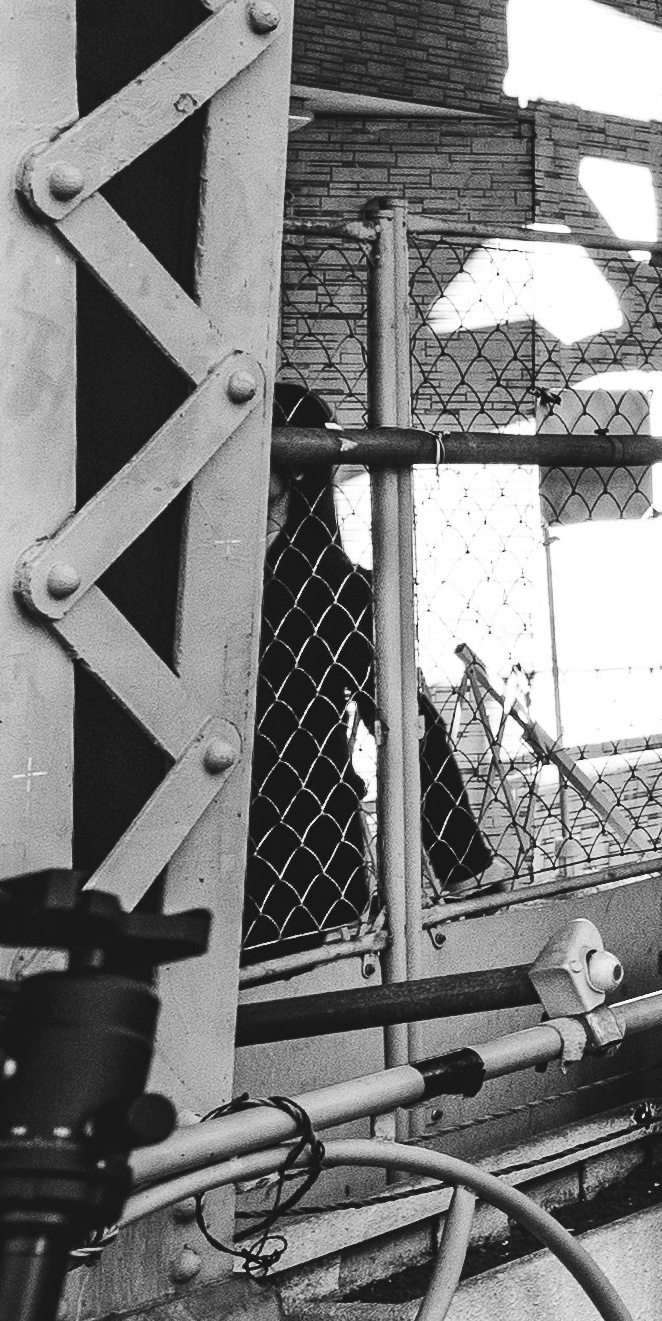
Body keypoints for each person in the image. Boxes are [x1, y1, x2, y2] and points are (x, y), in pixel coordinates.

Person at [250, 387, 497, 950]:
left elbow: (407, 721)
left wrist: (459, 862)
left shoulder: (337, 586)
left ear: (296, 470)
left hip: (307, 844)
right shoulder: (202, 570)